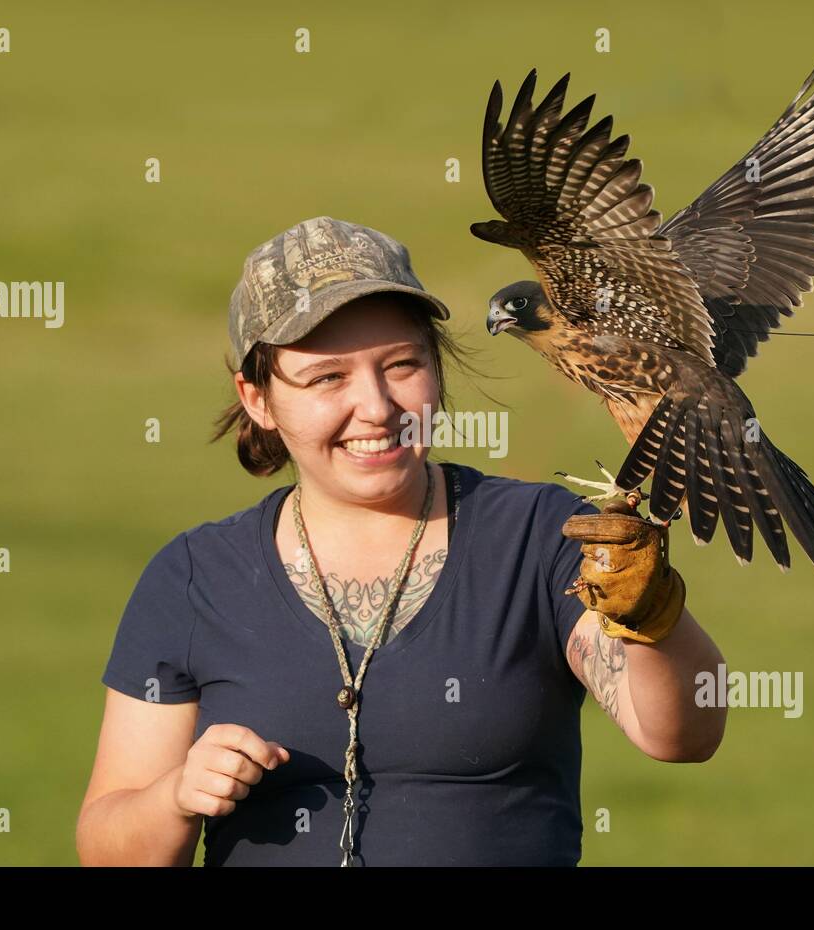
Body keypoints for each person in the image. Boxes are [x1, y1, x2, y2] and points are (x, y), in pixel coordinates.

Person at [75, 216, 727, 867]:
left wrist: (653, 618)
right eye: (327, 377)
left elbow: (683, 732)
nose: (378, 405)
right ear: (259, 399)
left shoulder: (537, 537)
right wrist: (176, 795)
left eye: (401, 365)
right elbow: (109, 852)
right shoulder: (194, 578)